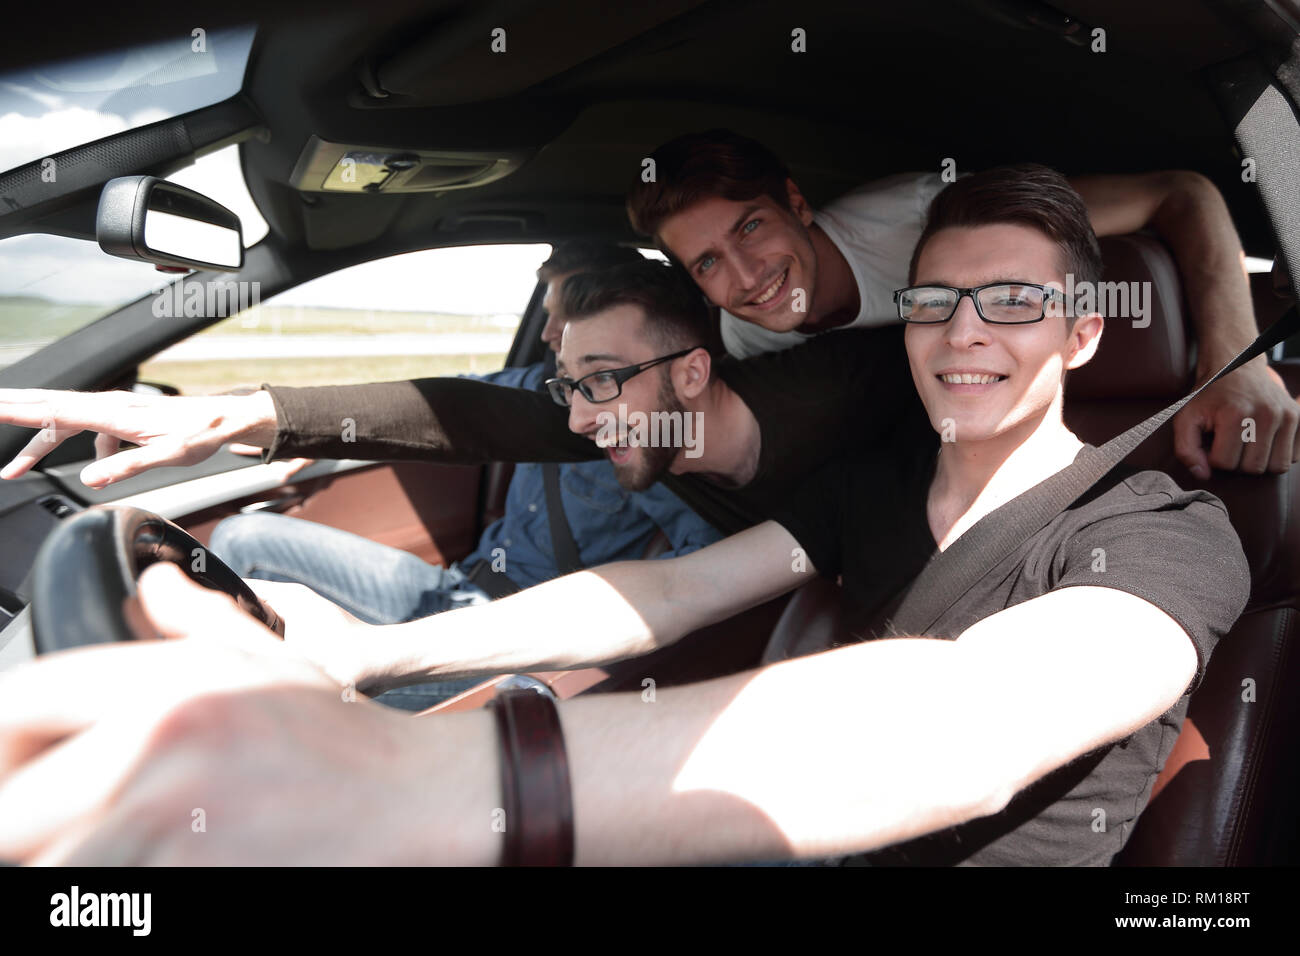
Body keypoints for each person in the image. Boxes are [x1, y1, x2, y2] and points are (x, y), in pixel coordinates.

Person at [0, 164, 1249, 866]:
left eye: (1012, 304)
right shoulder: (871, 485)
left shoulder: (1161, 529)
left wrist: (419, 772)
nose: (963, 333)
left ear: (1085, 330)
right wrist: (361, 653)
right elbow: (669, 592)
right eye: (933, 300)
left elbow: (968, 721)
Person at [207, 243, 723, 711]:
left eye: (561, 321)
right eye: (550, 320)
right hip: (453, 587)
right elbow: (441, 399)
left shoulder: (653, 451)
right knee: (240, 534)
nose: (546, 335)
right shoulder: (537, 390)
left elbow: (686, 594)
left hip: (504, 643)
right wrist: (304, 425)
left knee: (315, 698)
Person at [627, 129, 1299, 479]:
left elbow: (1180, 191)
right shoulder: (747, 341)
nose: (746, 277)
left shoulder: (923, 218)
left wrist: (1235, 363)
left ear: (797, 204)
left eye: (751, 227)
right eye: (707, 261)